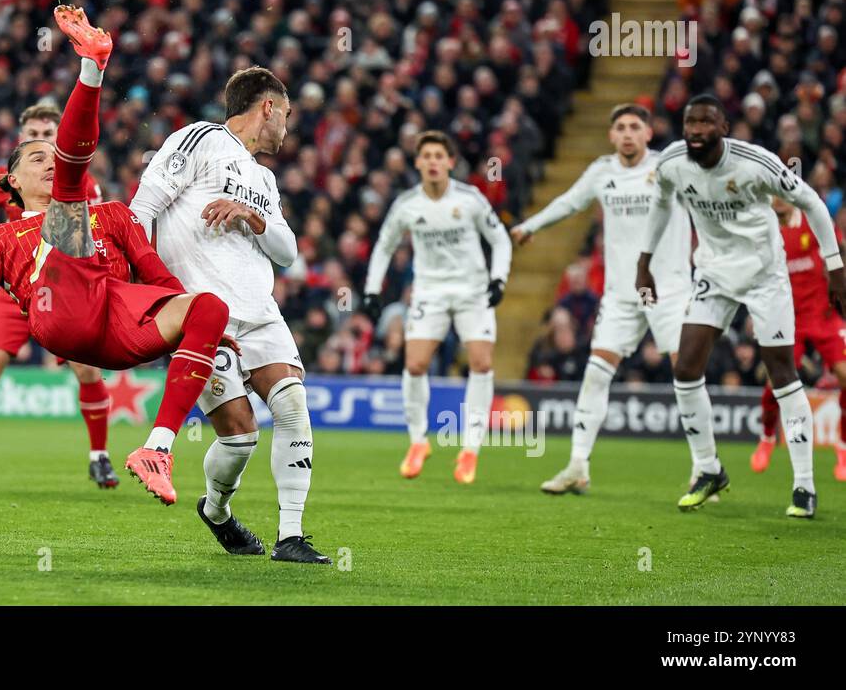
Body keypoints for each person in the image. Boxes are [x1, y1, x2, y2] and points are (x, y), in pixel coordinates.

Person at [0, 6, 239, 506]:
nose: (47, 161)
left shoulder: (111, 214)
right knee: (71, 200)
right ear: (12, 183)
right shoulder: (1, 236)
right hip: (57, 316)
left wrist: (196, 325)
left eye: (51, 153)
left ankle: (156, 449)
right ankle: (93, 67)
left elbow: (154, 274)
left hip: (114, 322)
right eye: (33, 158)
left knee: (211, 305)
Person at [131, 67, 329, 564]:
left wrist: (252, 215)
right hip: (204, 316)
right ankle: (217, 511)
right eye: (285, 114)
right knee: (239, 437)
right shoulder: (198, 140)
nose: (287, 126)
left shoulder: (264, 177)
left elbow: (286, 251)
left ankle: (291, 536)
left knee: (292, 406)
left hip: (260, 311)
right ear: (267, 107)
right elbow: (140, 210)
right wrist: (153, 293)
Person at [637, 94, 846, 519]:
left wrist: (835, 267)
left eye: (706, 122)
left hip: (766, 274)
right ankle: (708, 469)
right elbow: (660, 204)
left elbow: (812, 203)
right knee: (685, 369)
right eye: (690, 122)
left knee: (783, 375)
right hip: (713, 273)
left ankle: (804, 486)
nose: (696, 130)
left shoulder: (756, 163)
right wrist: (644, 263)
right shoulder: (673, 163)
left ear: (725, 128)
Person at [511, 104, 693, 495]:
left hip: (668, 289)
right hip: (622, 293)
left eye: (635, 127)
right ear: (611, 136)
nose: (627, 133)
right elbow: (568, 202)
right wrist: (530, 226)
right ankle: (578, 465)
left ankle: (704, 467)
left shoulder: (670, 167)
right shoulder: (601, 171)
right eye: (621, 127)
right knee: (595, 372)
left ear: (648, 133)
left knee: (687, 375)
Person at [0, 104, 115, 489]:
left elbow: (99, 236)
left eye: (50, 134)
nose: (43, 140)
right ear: (21, 138)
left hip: (66, 292)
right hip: (15, 290)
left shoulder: (84, 184)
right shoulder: (6, 179)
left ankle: (99, 457)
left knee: (87, 370)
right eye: (34, 132)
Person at [362, 131, 512, 484]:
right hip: (429, 292)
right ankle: (418, 442)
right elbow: (384, 246)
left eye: (438, 156)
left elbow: (500, 238)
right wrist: (371, 290)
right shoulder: (407, 204)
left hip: (473, 291)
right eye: (425, 155)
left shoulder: (471, 199)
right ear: (417, 162)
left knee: (481, 362)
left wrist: (498, 279)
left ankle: (470, 449)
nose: (432, 161)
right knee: (414, 365)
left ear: (450, 162)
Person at [751, 195, 846, 482]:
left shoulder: (814, 220)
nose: (778, 200)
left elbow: (837, 249)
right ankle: (768, 435)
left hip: (823, 316)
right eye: (772, 195)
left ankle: (842, 446)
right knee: (776, 382)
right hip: (786, 318)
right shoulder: (762, 229)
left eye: (782, 194)